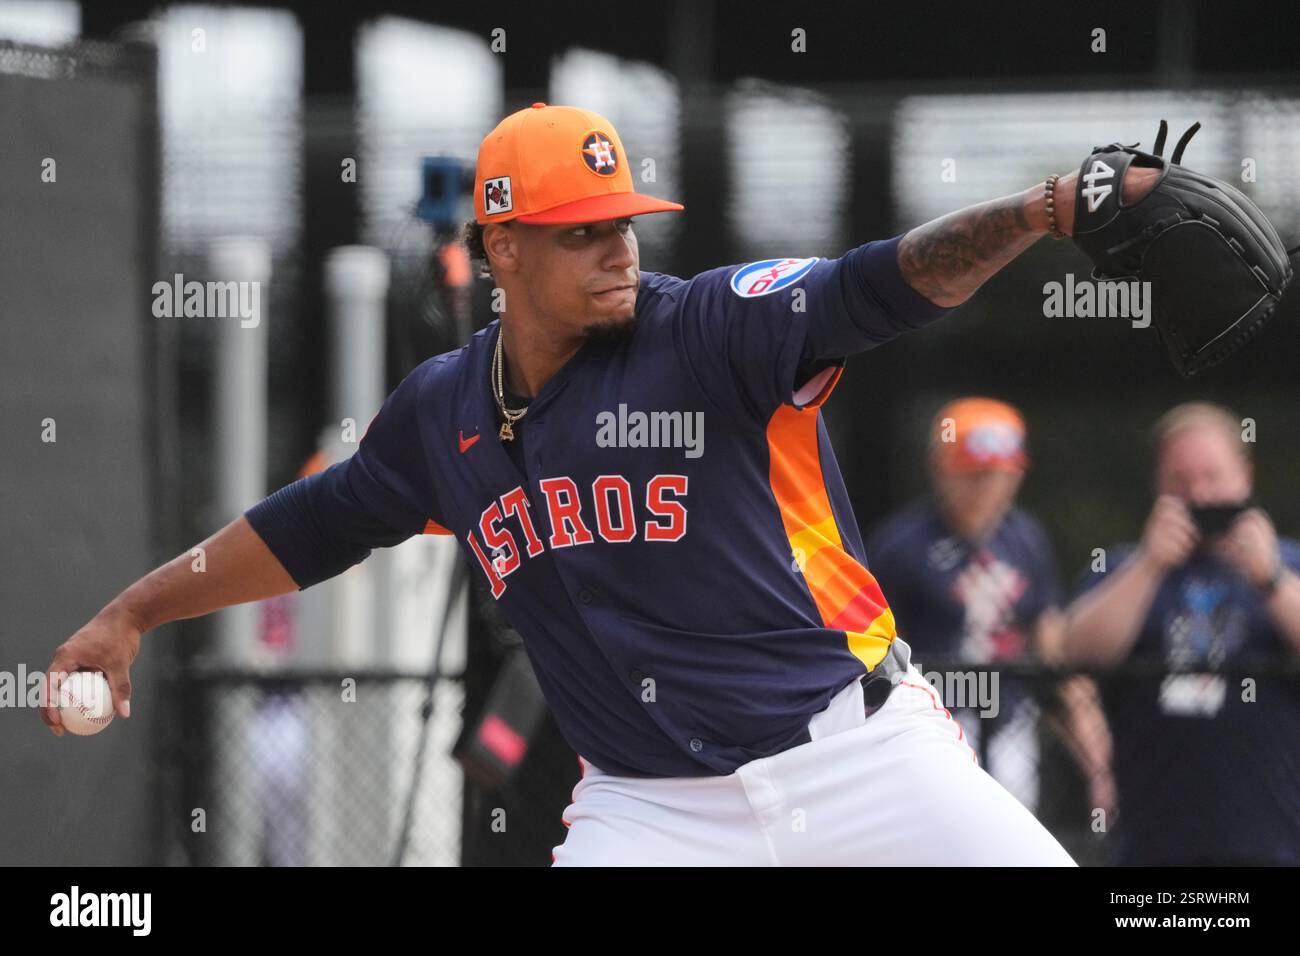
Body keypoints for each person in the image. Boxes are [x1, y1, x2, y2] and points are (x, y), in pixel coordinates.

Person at [44, 102, 1157, 865]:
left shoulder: (711, 327)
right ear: (500, 247)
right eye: (579, 233)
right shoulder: (442, 412)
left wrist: (1042, 210)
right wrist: (135, 608)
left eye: (620, 222)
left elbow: (875, 287)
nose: (617, 247)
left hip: (858, 749)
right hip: (654, 808)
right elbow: (311, 526)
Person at [1063, 401, 1300, 865]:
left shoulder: (1287, 563)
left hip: (1271, 841)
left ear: (1245, 476)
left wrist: (1270, 578)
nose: (1198, 495)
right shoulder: (1124, 567)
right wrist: (1149, 566)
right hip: (1149, 844)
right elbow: (1074, 653)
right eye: (1180, 481)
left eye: (1212, 477)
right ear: (1159, 486)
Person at [864, 397, 1114, 819]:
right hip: (929, 722)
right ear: (941, 469)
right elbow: (875, 653)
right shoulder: (901, 547)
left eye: (1000, 473)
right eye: (974, 473)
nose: (989, 487)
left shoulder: (1026, 540)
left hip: (1010, 723)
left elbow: (1053, 653)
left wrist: (1097, 759)